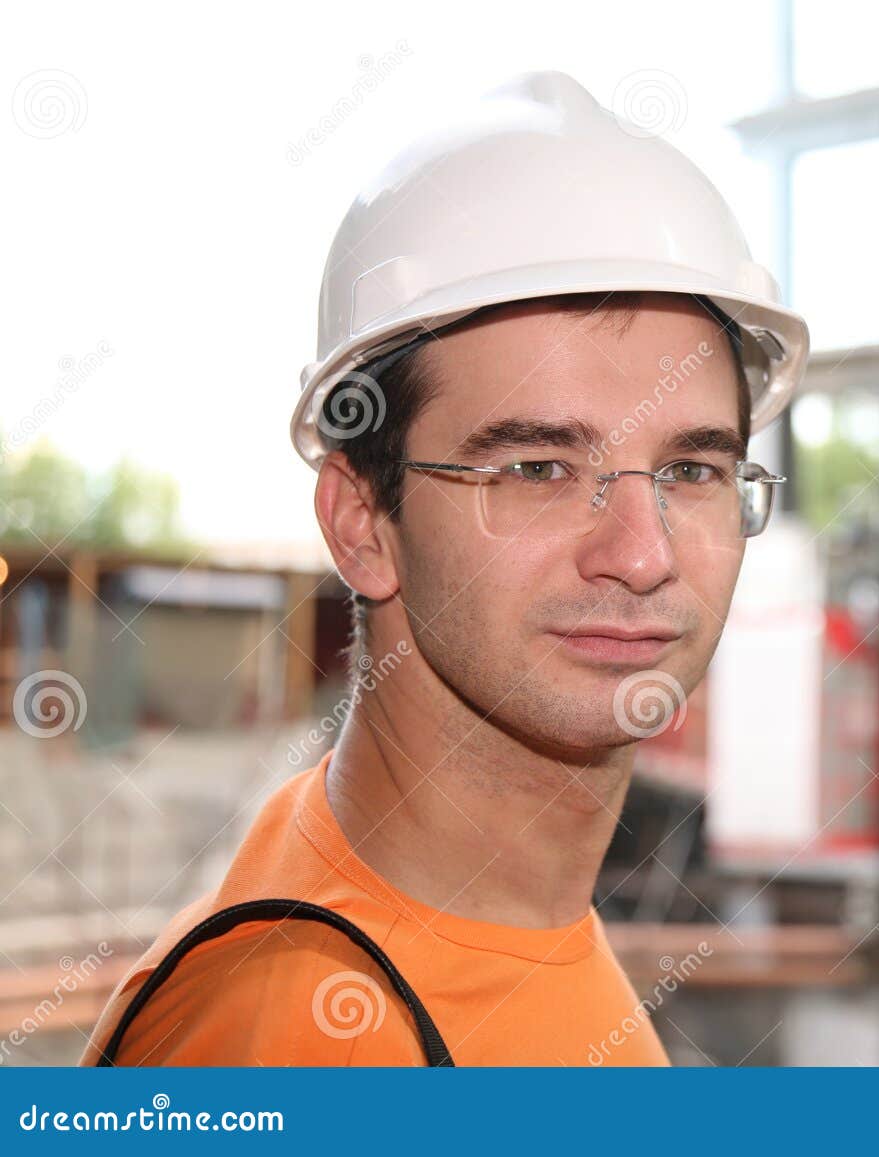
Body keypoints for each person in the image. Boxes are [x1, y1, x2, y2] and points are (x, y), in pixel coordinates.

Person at [80, 71, 808, 1067]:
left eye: (690, 469)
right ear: (361, 521)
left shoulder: (495, 925)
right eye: (538, 468)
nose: (642, 553)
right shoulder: (303, 1023)